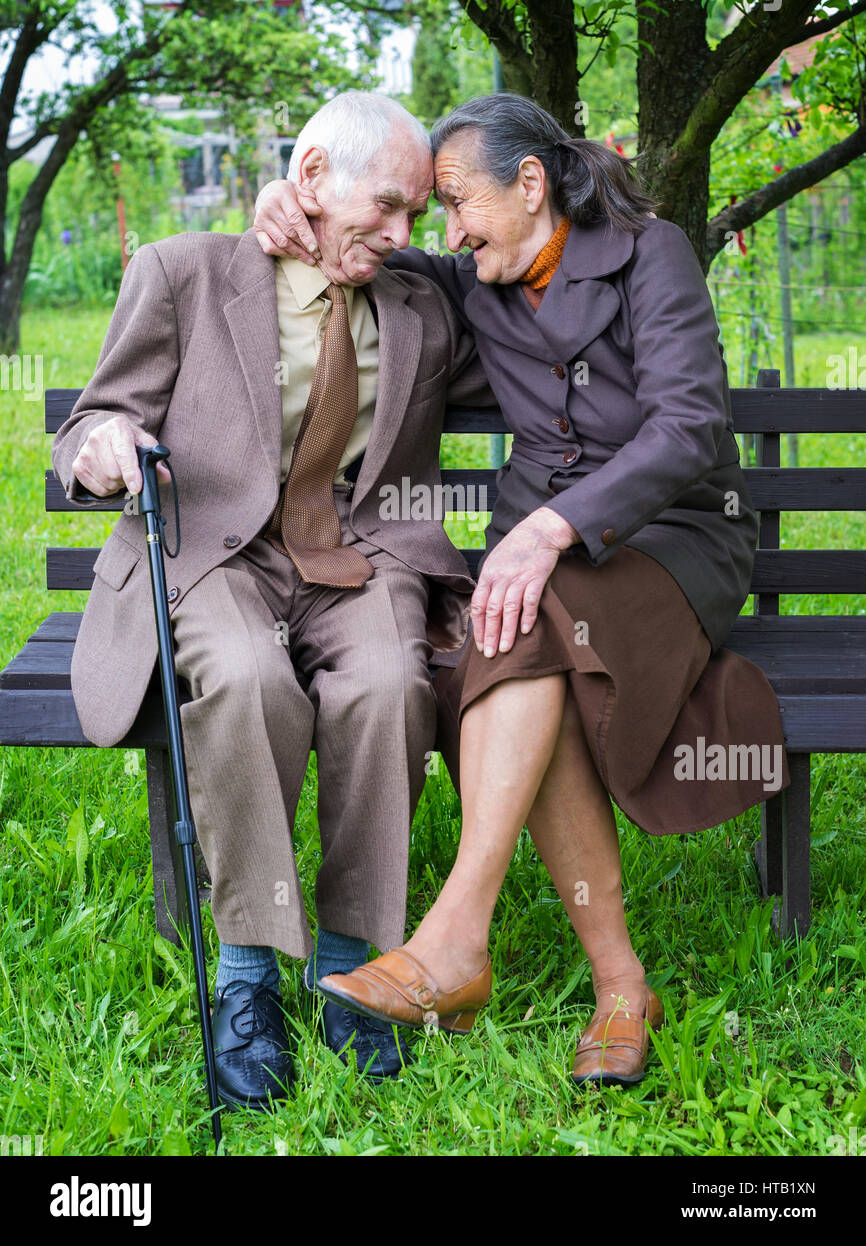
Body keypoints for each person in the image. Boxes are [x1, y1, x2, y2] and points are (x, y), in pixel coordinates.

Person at [252, 91, 791, 1086]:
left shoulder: (647, 252)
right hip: (536, 567)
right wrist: (274, 203)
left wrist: (551, 527)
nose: (443, 229)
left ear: (531, 183)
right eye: (435, 211)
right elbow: (367, 243)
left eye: (456, 201)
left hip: (670, 541)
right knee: (512, 637)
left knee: (513, 622)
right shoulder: (480, 276)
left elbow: (688, 428)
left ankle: (458, 939)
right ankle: (616, 987)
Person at [51, 90, 493, 1109]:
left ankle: (348, 964)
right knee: (248, 680)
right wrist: (108, 446)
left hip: (359, 551)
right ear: (306, 179)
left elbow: (516, 286)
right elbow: (94, 416)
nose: (398, 233)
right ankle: (246, 974)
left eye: (416, 215)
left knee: (388, 683)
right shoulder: (185, 272)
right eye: (382, 206)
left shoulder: (420, 298)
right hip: (216, 546)